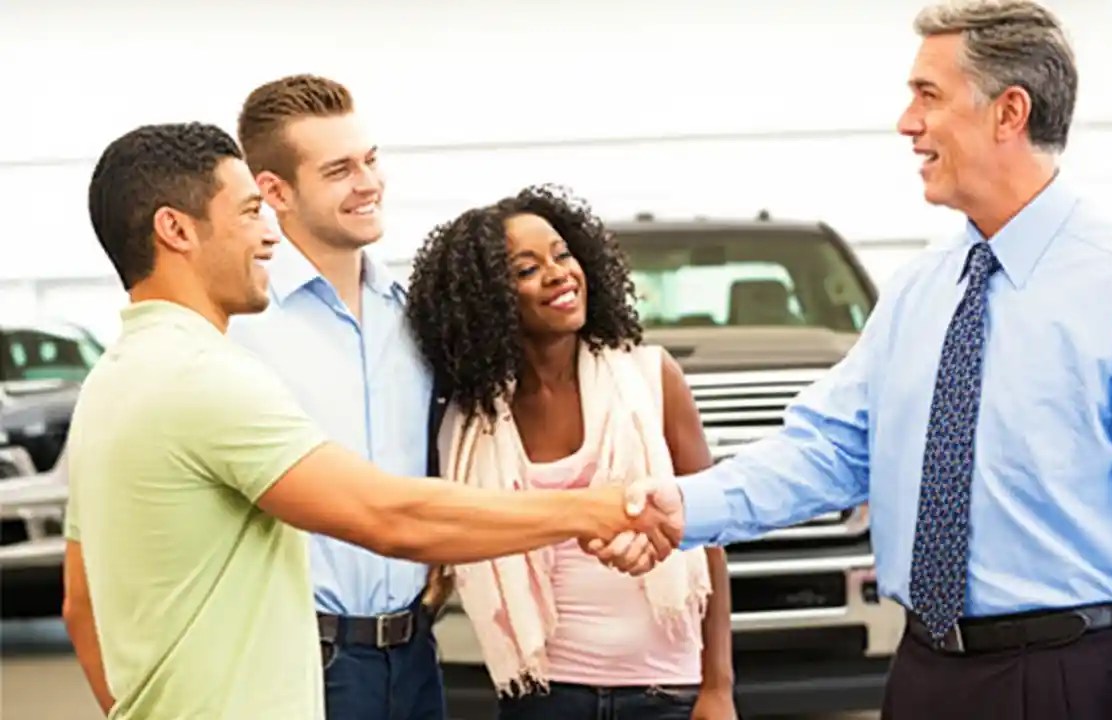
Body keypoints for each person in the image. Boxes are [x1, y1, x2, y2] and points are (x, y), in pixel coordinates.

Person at [599, 2, 1112, 719]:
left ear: (1008, 112)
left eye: (928, 95)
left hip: (1073, 682)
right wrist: (685, 506)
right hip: (924, 675)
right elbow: (829, 449)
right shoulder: (923, 290)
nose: (906, 122)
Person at [60, 122, 676, 720]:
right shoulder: (206, 377)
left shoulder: (111, 382)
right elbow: (388, 516)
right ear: (176, 230)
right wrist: (593, 508)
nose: (269, 237)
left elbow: (80, 603)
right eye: (249, 212)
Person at [404, 184, 737, 720]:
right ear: (489, 298)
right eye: (526, 269)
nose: (559, 273)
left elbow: (709, 534)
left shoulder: (652, 379)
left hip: (664, 692)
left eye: (562, 254)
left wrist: (717, 687)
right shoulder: (471, 418)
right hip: (543, 694)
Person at [226, 73, 446, 720]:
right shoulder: (241, 329)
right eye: (340, 170)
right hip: (298, 663)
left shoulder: (414, 316)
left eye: (371, 160)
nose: (369, 183)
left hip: (416, 657)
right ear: (275, 191)